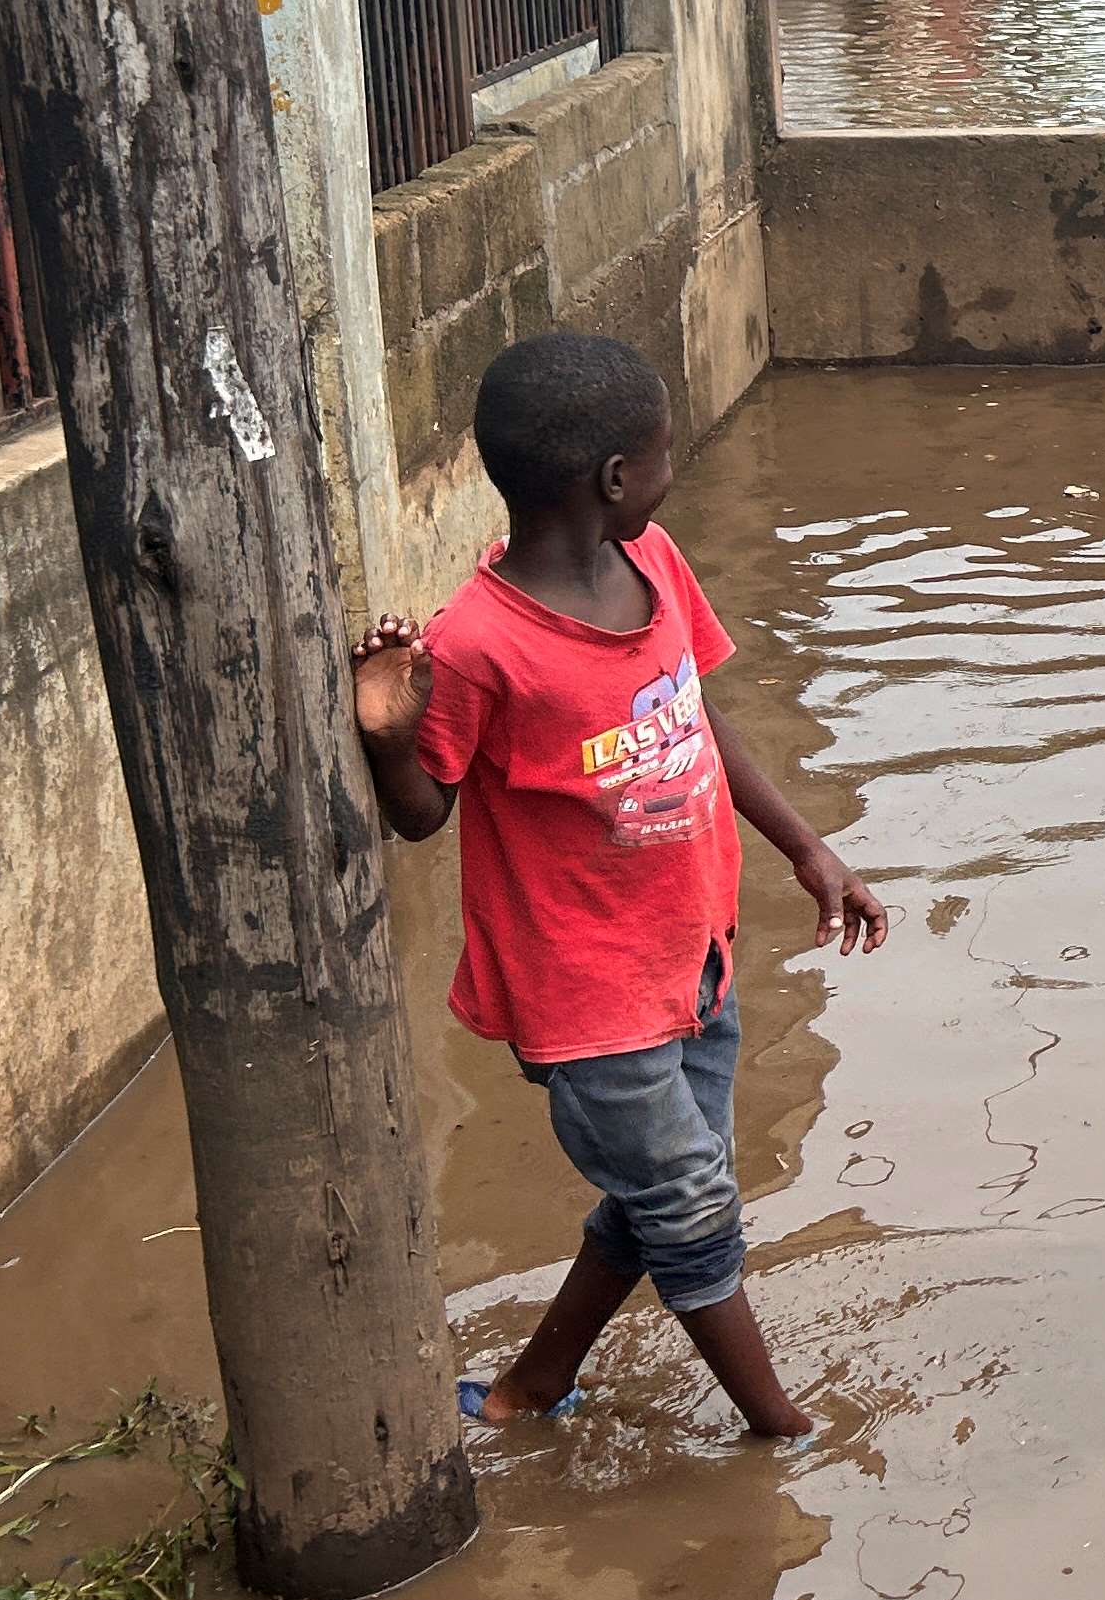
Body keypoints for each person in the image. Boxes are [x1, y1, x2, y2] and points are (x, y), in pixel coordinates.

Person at [351, 331, 888, 1443]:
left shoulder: (654, 565)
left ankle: (530, 1387)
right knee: (691, 1204)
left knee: (670, 1192)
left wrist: (808, 849)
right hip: (585, 991)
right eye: (662, 455)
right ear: (612, 478)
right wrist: (391, 740)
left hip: (692, 958)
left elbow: (695, 711)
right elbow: (423, 813)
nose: (670, 474)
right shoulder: (478, 643)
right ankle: (784, 1433)